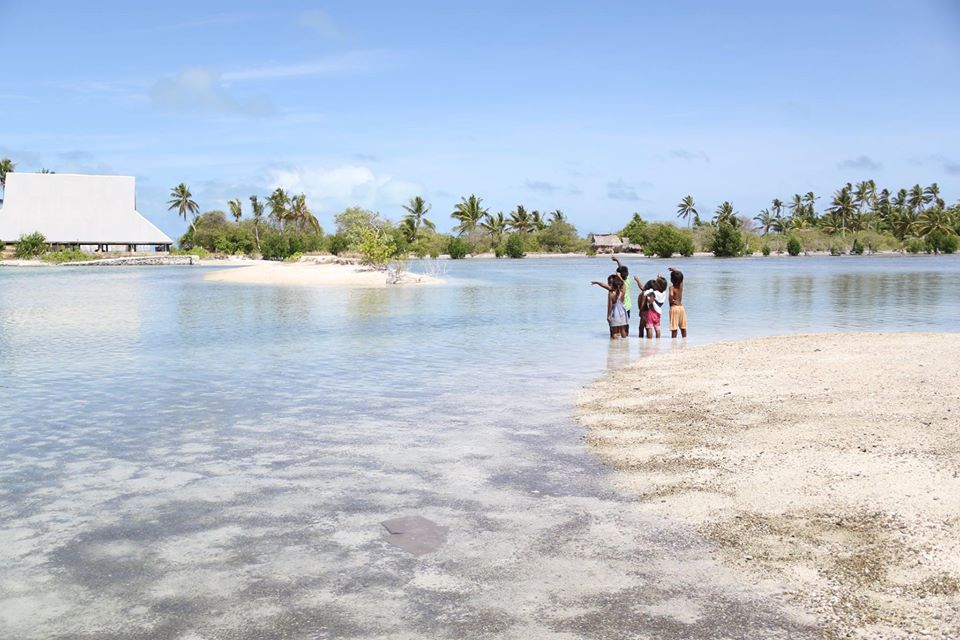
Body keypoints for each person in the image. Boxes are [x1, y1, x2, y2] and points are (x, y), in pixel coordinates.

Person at [591, 274, 629, 339]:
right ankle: (624, 346)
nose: (608, 285)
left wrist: (608, 316)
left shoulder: (611, 294)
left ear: (612, 285)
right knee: (623, 330)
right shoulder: (622, 291)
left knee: (614, 332)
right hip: (623, 313)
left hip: (615, 314)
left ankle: (613, 347)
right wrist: (619, 276)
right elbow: (623, 283)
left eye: (609, 283)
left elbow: (610, 306)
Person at [610, 256, 633, 331]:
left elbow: (622, 273)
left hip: (622, 307)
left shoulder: (621, 283)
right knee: (625, 323)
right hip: (628, 306)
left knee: (618, 324)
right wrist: (617, 261)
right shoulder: (628, 279)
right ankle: (625, 339)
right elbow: (622, 269)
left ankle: (620, 338)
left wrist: (618, 275)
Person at [668, 267, 687, 338]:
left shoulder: (671, 288)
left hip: (674, 308)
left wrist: (671, 300)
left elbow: (671, 294)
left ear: (671, 280)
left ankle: (673, 340)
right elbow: (681, 278)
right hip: (681, 308)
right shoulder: (681, 286)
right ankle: (684, 339)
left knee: (674, 327)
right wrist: (674, 270)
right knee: (683, 326)